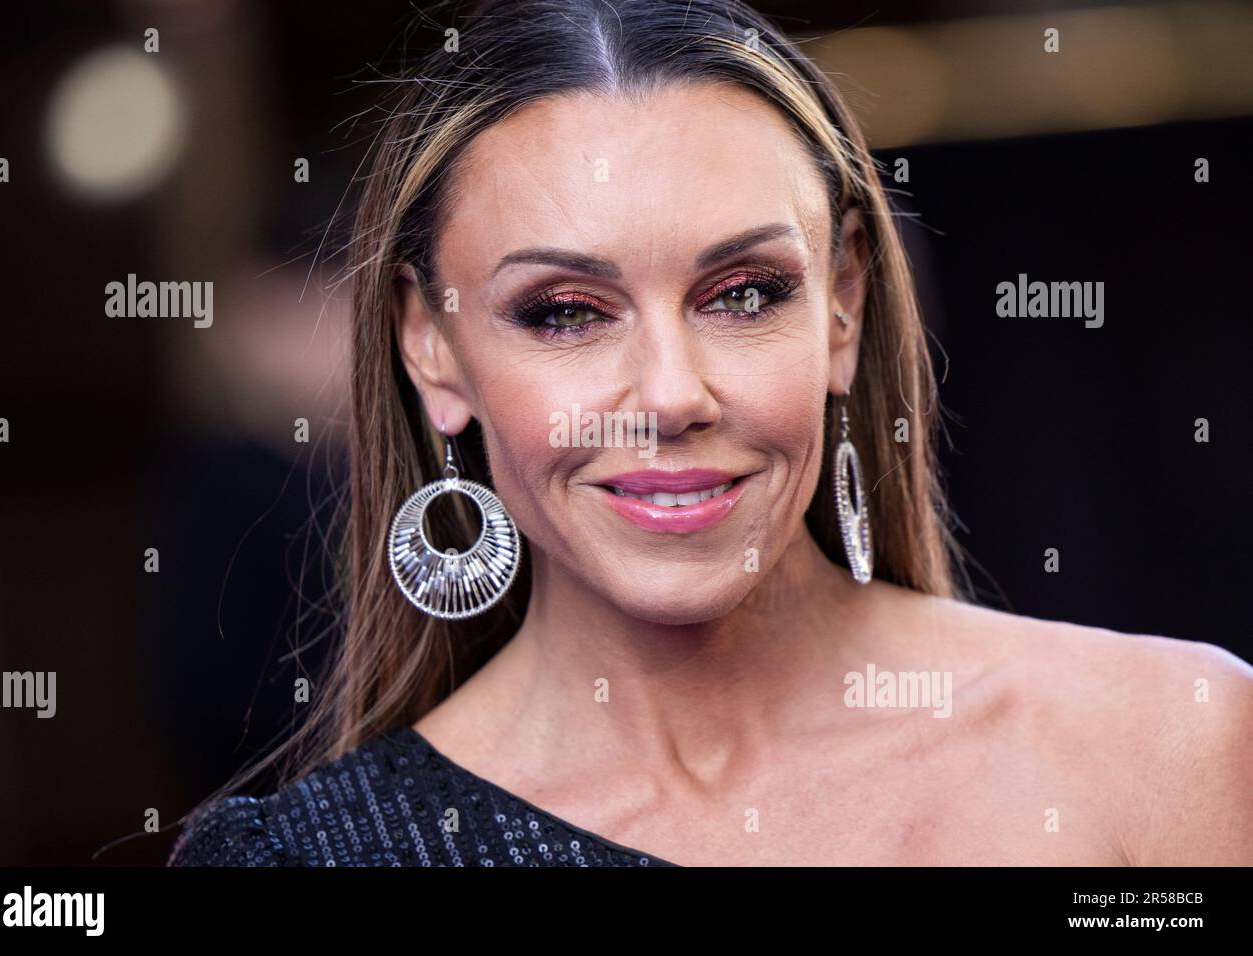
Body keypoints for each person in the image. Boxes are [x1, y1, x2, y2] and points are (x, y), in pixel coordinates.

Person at [168, 0, 1253, 867]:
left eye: (743, 293)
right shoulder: (308, 858)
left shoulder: (1167, 745)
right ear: (432, 348)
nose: (672, 391)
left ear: (842, 309)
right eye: (563, 312)